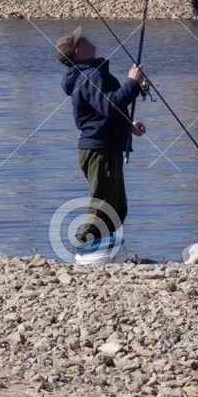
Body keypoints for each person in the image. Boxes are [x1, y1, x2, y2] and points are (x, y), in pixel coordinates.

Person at [56, 27, 147, 249]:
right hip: (99, 149)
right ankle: (82, 247)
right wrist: (133, 83)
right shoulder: (90, 76)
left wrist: (128, 125)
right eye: (82, 39)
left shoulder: (90, 74)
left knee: (118, 208)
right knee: (103, 207)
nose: (88, 38)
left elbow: (100, 111)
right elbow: (109, 105)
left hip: (107, 146)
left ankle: (106, 250)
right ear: (78, 51)